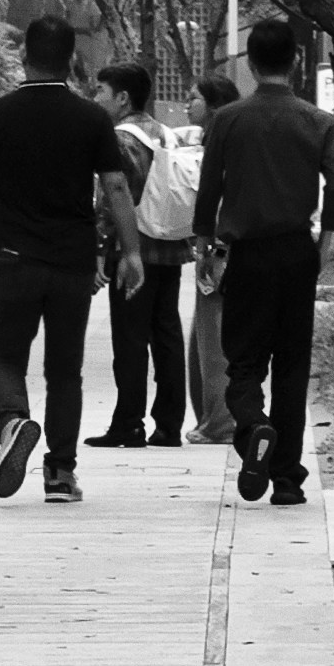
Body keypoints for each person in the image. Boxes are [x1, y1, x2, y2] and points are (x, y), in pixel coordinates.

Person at [0, 10, 145, 500]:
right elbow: (116, 185)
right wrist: (133, 252)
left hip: (14, 257)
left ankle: (13, 421)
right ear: (72, 59)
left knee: (5, 358)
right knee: (64, 370)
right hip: (73, 261)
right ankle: (60, 473)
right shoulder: (92, 117)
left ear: (22, 56)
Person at [193, 12, 334, 506]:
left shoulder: (228, 120)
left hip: (247, 257)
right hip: (297, 254)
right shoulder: (318, 121)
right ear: (295, 62)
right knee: (293, 366)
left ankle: (253, 427)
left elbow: (210, 188)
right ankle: (286, 480)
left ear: (251, 65)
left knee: (244, 363)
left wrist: (205, 249)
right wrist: (331, 238)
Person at [91, 61, 192, 449]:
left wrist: (104, 249)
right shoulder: (166, 134)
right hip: (169, 246)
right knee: (166, 335)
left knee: (130, 338)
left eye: (101, 91)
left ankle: (128, 423)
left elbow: (114, 198)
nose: (96, 98)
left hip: (133, 251)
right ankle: (169, 425)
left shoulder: (119, 138)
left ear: (122, 97)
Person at [183, 71, 238, 442]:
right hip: (234, 244)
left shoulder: (221, 137)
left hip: (220, 247)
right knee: (205, 335)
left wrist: (204, 245)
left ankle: (219, 422)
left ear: (214, 104)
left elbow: (210, 194)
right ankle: (211, 417)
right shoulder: (240, 133)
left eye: (194, 98)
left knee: (213, 336)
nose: (188, 104)